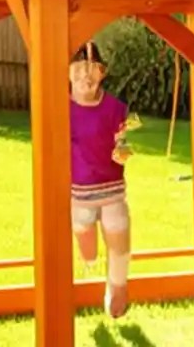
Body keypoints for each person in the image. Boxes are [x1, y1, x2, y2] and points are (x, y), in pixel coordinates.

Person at [69, 42, 139, 318]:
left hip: (112, 189)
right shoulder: (61, 107)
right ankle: (90, 258)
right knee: (84, 231)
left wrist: (122, 148)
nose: (86, 78)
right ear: (67, 73)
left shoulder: (114, 108)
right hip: (80, 191)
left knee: (118, 227)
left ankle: (118, 288)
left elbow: (121, 140)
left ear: (102, 73)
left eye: (92, 71)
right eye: (78, 70)